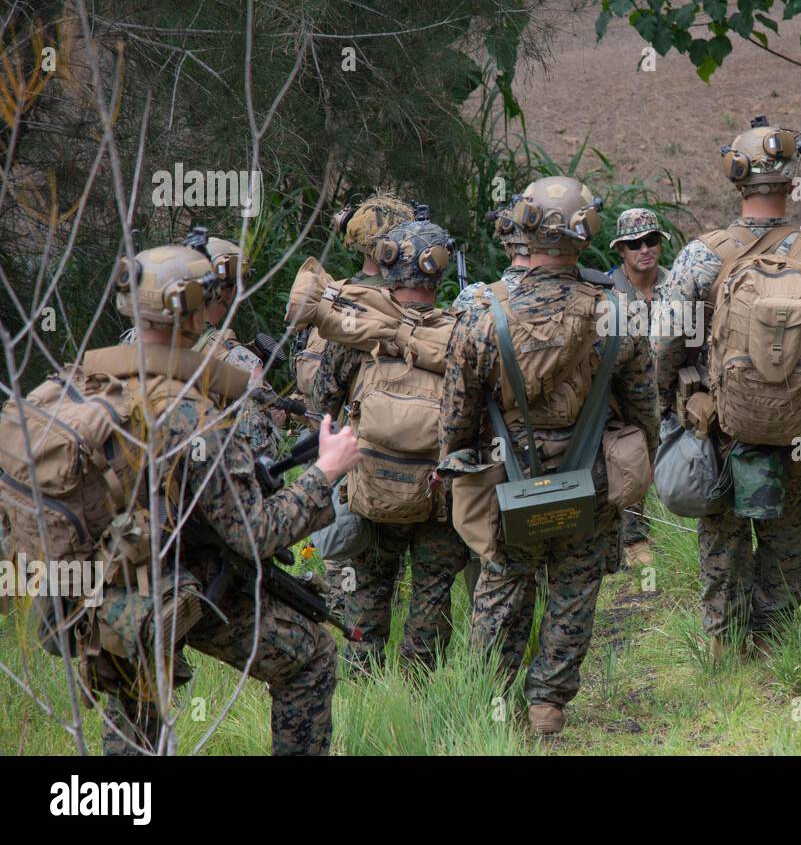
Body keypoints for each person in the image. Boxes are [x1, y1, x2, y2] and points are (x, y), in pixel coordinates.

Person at [3, 241, 361, 755]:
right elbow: (255, 532)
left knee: (135, 715)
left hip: (101, 587)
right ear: (196, 314)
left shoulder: (86, 379)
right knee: (310, 658)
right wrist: (325, 471)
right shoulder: (188, 409)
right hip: (174, 583)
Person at [438, 175, 657, 735]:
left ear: (525, 228)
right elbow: (642, 411)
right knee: (576, 587)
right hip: (591, 479)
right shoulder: (617, 310)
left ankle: (489, 697)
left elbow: (457, 420)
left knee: (502, 584)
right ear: (587, 233)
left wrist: (463, 464)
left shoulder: (484, 314)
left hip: (510, 480)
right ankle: (547, 705)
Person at [654, 116, 801, 657]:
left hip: (722, 421)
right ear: (790, 180)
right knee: (788, 527)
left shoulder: (701, 255)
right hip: (797, 419)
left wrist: (669, 403)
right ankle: (778, 642)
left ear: (736, 179)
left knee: (722, 530)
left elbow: (664, 347)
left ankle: (725, 647)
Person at [309, 216, 468, 668]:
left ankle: (363, 676)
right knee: (433, 590)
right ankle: (421, 687)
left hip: (371, 487)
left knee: (369, 586)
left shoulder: (358, 332)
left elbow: (323, 400)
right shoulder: (458, 336)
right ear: (439, 271)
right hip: (439, 493)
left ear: (387, 266)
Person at [606, 207, 670, 567]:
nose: (644, 249)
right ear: (621, 250)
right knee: (629, 465)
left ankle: (679, 524)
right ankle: (631, 540)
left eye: (651, 241)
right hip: (624, 400)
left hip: (674, 394)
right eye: (634, 244)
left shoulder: (678, 285)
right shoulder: (607, 293)